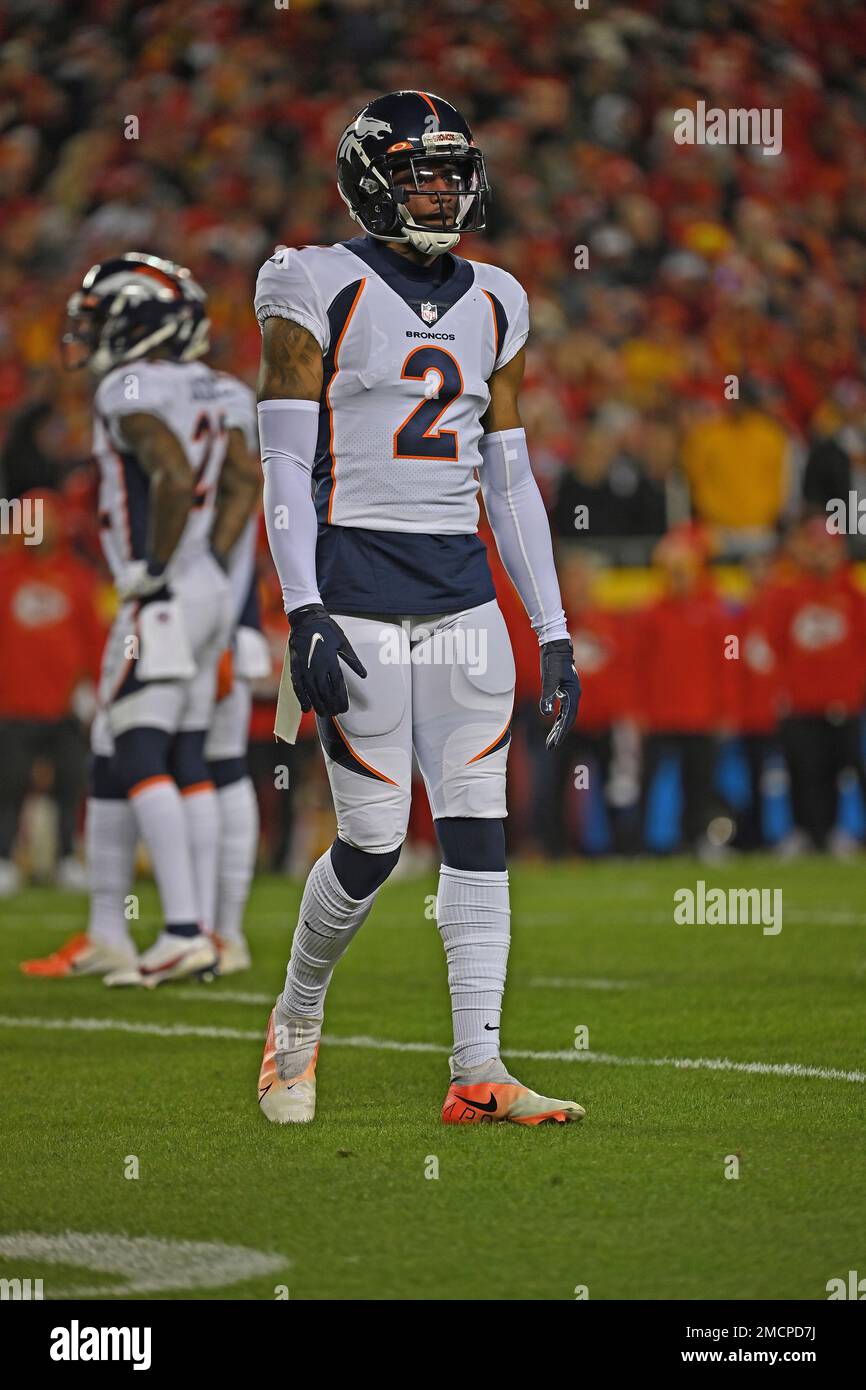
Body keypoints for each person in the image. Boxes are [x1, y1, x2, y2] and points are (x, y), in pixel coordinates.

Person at [255, 91, 584, 1127]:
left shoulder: (499, 297)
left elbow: (511, 477)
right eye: (416, 170)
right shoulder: (310, 278)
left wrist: (552, 625)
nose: (438, 188)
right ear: (366, 176)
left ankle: (476, 1069)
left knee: (478, 829)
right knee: (371, 843)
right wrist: (300, 605)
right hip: (353, 590)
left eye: (449, 170)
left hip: (463, 599)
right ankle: (295, 1016)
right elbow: (279, 458)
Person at [21, 254, 259, 984]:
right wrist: (213, 568)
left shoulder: (127, 386)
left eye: (100, 321)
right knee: (172, 750)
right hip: (211, 591)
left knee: (135, 743)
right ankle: (126, 931)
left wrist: (158, 567)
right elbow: (244, 481)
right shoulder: (223, 388)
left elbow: (173, 472)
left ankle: (185, 929)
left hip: (164, 595)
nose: (89, 337)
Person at [0, 488, 104, 894]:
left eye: (47, 519)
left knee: (70, 782)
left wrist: (93, 687)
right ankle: (6, 859)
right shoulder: (6, 574)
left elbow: (94, 637)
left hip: (64, 704)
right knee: (9, 784)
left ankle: (65, 859)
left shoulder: (78, 577)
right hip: (14, 703)